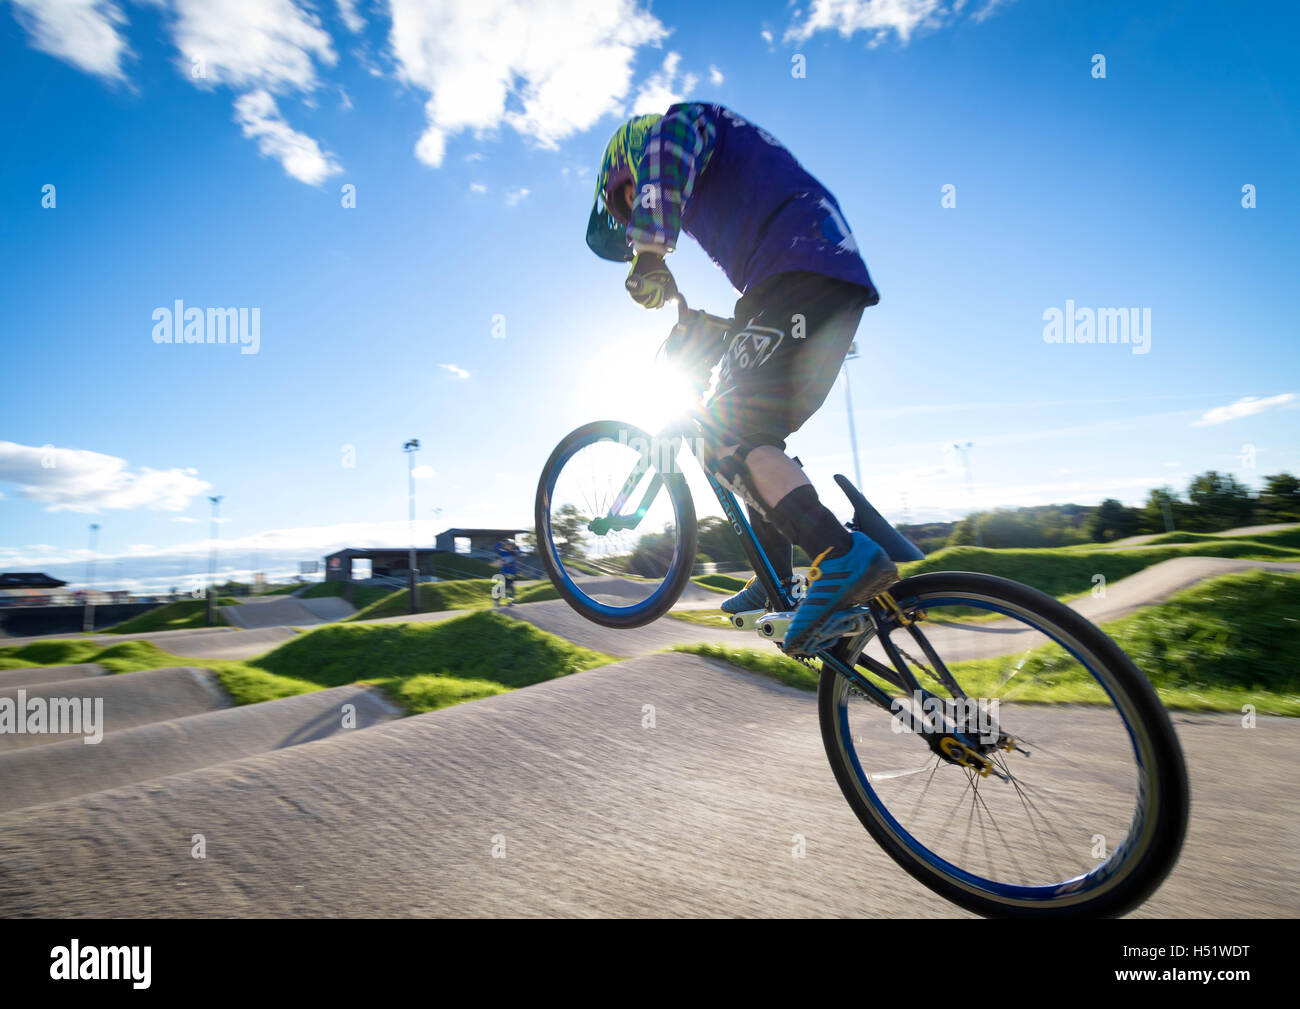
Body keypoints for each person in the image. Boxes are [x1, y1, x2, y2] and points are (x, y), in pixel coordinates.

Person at [586, 104, 898, 656]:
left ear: (629, 159)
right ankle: (775, 574)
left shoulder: (676, 127)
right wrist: (710, 330)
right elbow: (761, 324)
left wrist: (652, 252)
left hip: (799, 277)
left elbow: (668, 154)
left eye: (627, 195)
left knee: (729, 436)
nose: (634, 216)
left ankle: (841, 554)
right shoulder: (732, 193)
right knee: (736, 430)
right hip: (818, 288)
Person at [494, 537, 519, 605]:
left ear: (513, 546)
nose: (509, 547)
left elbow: (518, 550)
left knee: (510, 587)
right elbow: (495, 548)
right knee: (502, 586)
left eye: (510, 546)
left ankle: (511, 600)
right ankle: (496, 600)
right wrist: (501, 542)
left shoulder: (514, 553)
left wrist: (514, 545)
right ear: (504, 547)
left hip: (512, 573)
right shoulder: (503, 553)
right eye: (507, 546)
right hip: (504, 573)